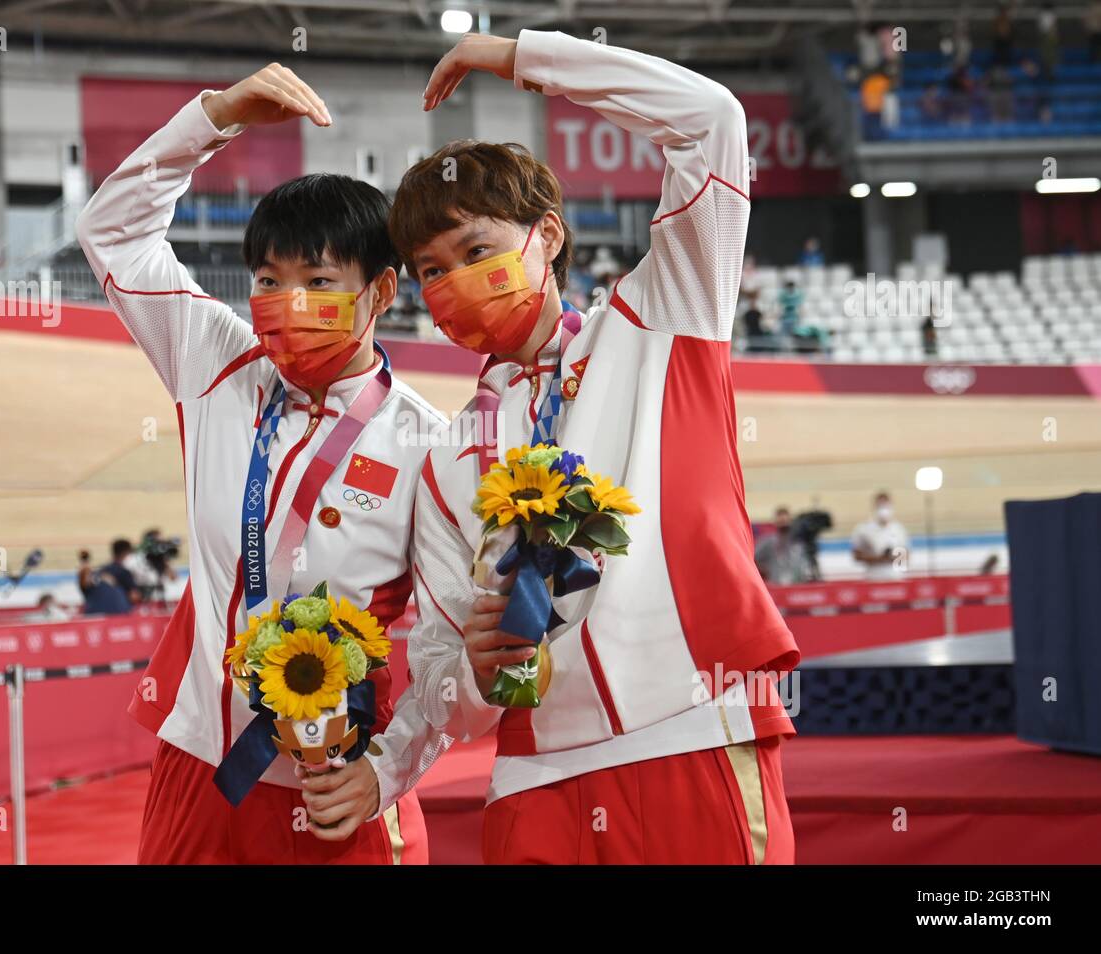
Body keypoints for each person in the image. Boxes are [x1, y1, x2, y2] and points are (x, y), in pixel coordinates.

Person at [392, 31, 799, 864]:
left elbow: (709, 120)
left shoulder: (661, 315)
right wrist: (470, 666)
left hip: (693, 735)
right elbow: (442, 680)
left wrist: (516, 56)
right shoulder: (444, 459)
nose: (452, 285)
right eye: (430, 271)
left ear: (546, 236)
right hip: (532, 780)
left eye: (476, 252)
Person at [76, 63, 452, 865]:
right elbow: (112, 232)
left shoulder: (428, 441)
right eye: (269, 282)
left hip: (341, 785)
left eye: (319, 282)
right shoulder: (215, 360)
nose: (287, 304)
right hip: (204, 771)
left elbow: (449, 642)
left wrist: (387, 774)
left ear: (381, 291)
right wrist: (214, 117)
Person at [851, 491, 910, 580]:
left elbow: (905, 557)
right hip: (873, 577)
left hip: (895, 577)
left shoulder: (899, 529)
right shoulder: (863, 529)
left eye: (886, 506)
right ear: (874, 507)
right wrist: (878, 558)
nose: (883, 509)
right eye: (880, 506)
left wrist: (891, 557)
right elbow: (857, 556)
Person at [78, 540, 140, 616]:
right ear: (126, 554)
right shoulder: (124, 572)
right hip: (115, 617)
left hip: (91, 614)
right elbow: (134, 597)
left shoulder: (100, 570)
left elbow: (85, 588)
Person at [754, 507, 814, 585]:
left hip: (796, 584)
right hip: (776, 584)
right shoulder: (768, 541)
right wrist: (765, 571)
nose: (783, 523)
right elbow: (754, 558)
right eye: (781, 521)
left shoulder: (797, 542)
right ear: (776, 522)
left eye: (785, 520)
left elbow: (804, 561)